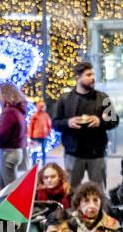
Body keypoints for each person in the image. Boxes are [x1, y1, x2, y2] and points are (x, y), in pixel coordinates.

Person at [51, 61, 118, 189]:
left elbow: (114, 120)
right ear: (78, 78)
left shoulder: (103, 98)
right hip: (73, 154)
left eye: (93, 75)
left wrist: (100, 121)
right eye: (88, 75)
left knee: (99, 191)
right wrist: (68, 122)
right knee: (71, 190)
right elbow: (54, 123)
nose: (92, 78)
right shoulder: (65, 99)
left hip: (97, 154)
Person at [0, 82, 28, 189]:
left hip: (8, 152)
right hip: (15, 151)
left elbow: (1, 134)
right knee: (2, 185)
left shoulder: (9, 113)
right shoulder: (18, 111)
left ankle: (14, 205)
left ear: (5, 95)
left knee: (10, 188)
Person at [28, 97, 52, 164]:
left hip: (43, 136)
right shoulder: (35, 116)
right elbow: (31, 126)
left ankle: (42, 163)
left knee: (42, 150)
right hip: (36, 137)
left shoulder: (45, 115)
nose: (44, 108)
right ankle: (34, 164)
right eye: (43, 107)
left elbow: (49, 125)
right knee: (36, 151)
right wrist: (30, 136)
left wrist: (48, 132)